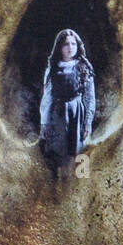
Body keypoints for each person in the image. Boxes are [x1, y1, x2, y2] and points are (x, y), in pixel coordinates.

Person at [38, 28, 97, 161]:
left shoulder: (84, 67)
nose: (70, 47)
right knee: (58, 153)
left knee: (78, 153)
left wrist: (87, 122)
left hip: (77, 114)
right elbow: (47, 97)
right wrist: (44, 123)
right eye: (66, 44)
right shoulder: (53, 68)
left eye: (73, 44)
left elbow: (90, 97)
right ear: (59, 47)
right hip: (57, 114)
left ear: (78, 46)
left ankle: (78, 179)